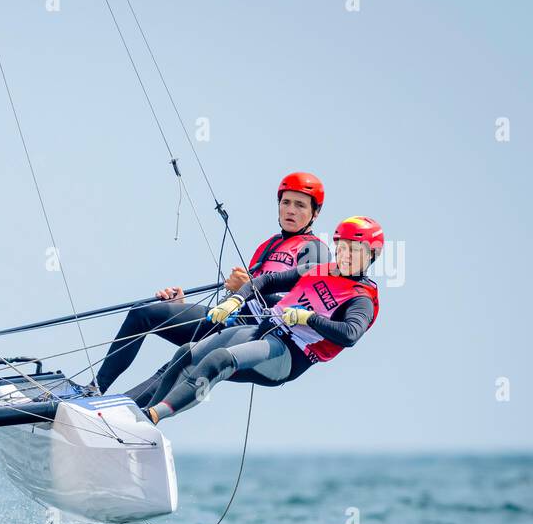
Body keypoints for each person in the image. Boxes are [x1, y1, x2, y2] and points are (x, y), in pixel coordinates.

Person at [94, 171, 331, 402]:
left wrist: (249, 286)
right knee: (144, 313)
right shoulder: (268, 246)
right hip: (233, 320)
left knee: (183, 362)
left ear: (315, 213)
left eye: (300, 205)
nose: (290, 209)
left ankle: (117, 412)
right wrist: (181, 307)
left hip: (264, 337)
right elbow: (246, 298)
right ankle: (95, 390)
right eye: (286, 202)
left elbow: (303, 306)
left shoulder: (314, 250)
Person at [139, 216, 383, 423]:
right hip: (264, 330)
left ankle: (154, 416)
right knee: (186, 354)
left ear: (372, 254)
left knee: (220, 359)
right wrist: (234, 300)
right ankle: (141, 419)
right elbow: (265, 281)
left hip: (288, 353)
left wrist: (308, 318)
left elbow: (350, 334)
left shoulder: (361, 298)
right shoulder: (319, 269)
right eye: (341, 247)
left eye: (354, 250)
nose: (345, 255)